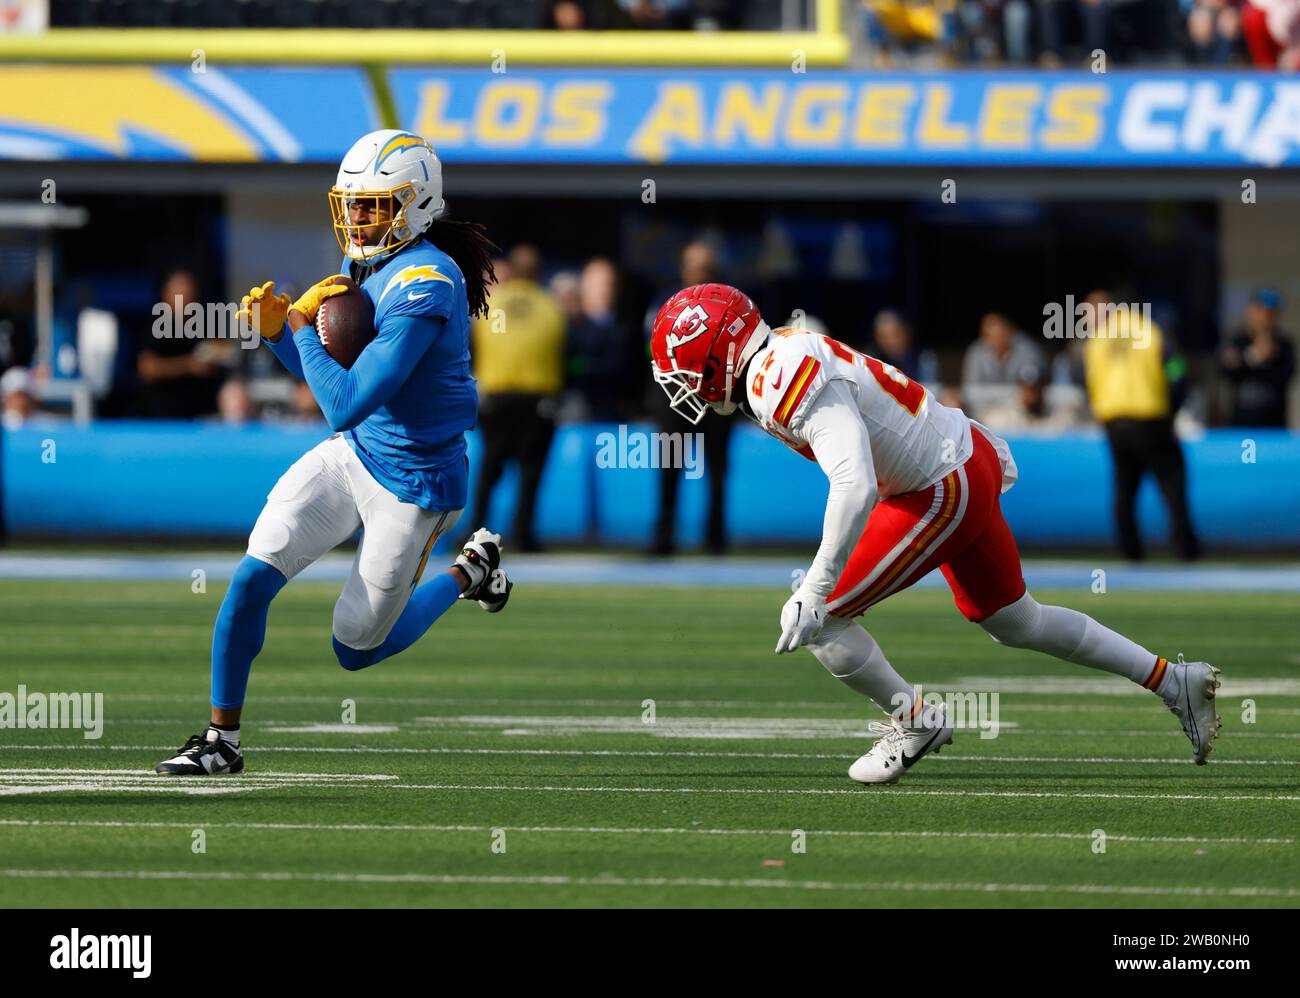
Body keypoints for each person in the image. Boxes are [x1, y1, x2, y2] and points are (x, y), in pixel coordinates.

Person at [649, 283, 1221, 784]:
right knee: (1017, 619)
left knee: (823, 623)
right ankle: (1174, 681)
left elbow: (855, 484)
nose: (684, 388)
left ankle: (914, 720)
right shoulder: (779, 352)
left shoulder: (776, 379)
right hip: (960, 456)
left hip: (937, 485)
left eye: (685, 371)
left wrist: (816, 587)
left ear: (716, 356)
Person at [157, 130, 512, 777]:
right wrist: (276, 337)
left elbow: (347, 398)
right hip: (356, 452)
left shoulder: (428, 282)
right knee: (249, 580)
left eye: (376, 205)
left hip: (415, 482)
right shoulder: (370, 266)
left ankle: (471, 573)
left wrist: (294, 330)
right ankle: (221, 740)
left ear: (418, 203)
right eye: (353, 204)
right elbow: (336, 393)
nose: (359, 218)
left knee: (355, 649)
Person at [1083, 289, 1201, 562]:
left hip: (1115, 422)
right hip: (1152, 419)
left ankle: (1130, 551)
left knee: (1125, 486)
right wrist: (1173, 408)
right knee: (1172, 484)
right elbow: (1176, 369)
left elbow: (1086, 381)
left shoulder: (1096, 341)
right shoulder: (1149, 330)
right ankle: (1186, 549)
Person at [464, 242, 566, 553]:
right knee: (530, 472)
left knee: (489, 471)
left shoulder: (490, 303)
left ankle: (474, 532)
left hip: (496, 397)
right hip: (537, 400)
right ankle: (523, 534)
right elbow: (564, 352)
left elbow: (471, 347)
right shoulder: (551, 306)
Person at [1221, 287, 1295, 427]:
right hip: (1241, 425)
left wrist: (1269, 358)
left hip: (1274, 426)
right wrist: (1252, 357)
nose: (1265, 318)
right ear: (1250, 311)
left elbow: (1287, 376)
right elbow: (1227, 372)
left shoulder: (1284, 344)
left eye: (1270, 313)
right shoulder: (1237, 340)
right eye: (1260, 311)